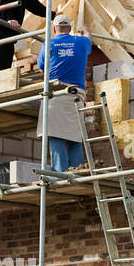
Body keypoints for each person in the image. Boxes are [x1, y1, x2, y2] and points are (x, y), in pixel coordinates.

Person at [36, 15, 94, 172]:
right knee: (75, 136)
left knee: (55, 134)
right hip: (77, 95)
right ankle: (77, 170)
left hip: (56, 94)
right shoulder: (81, 42)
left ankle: (61, 173)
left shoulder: (50, 43)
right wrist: (85, 30)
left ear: (54, 29)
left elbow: (41, 67)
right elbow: (89, 39)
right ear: (70, 28)